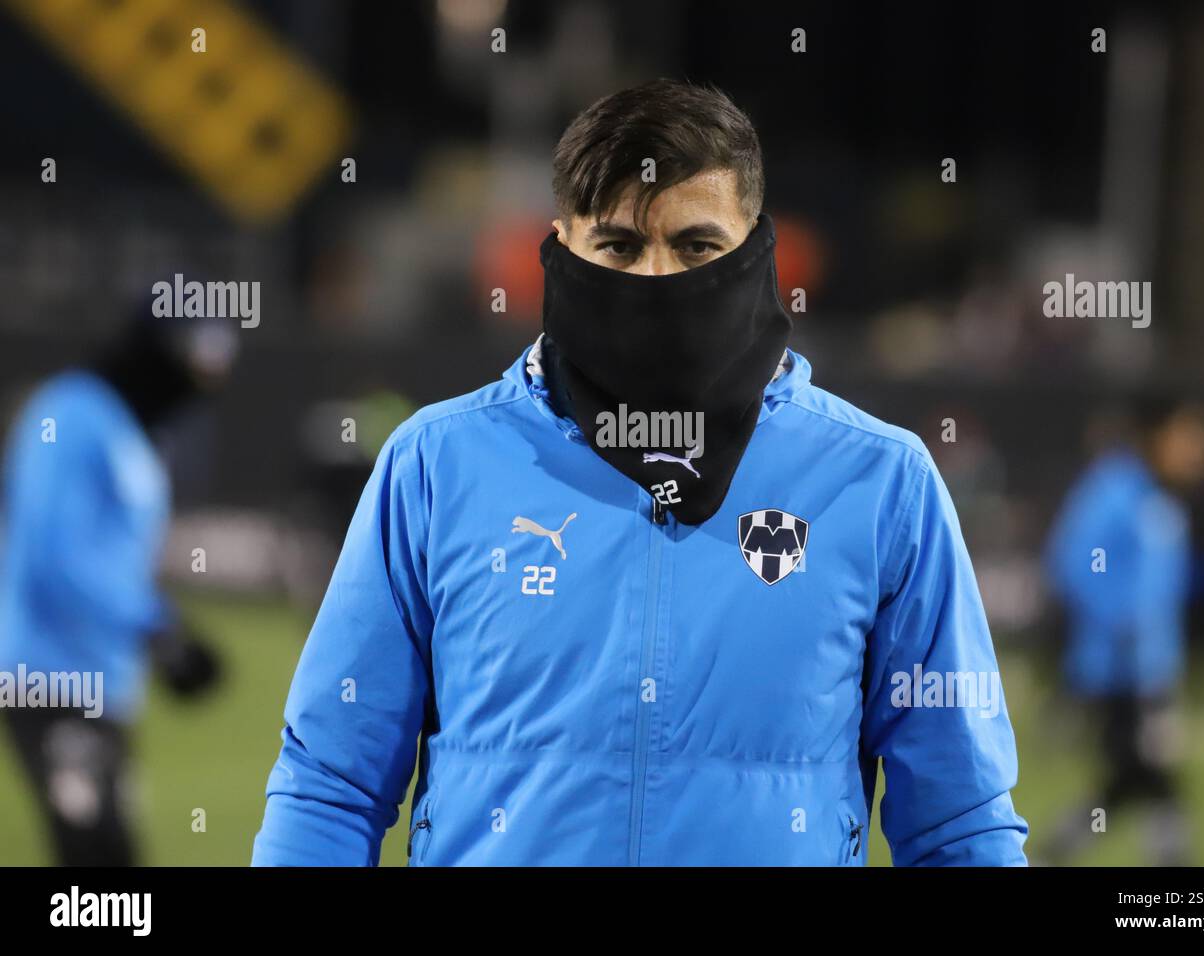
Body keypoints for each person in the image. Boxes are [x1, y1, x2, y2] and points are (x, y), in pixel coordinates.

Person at [253, 79, 1027, 866]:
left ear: (758, 244)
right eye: (619, 245)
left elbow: (960, 822)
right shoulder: (435, 465)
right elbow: (330, 784)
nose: (658, 281)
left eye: (696, 246)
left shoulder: (879, 483)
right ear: (559, 247)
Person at [0, 301, 235, 865]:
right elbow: (54, 549)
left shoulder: (132, 428)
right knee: (99, 870)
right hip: (48, 676)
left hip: (104, 683)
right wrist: (156, 625)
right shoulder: (71, 412)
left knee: (108, 868)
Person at [1042, 396, 1204, 865]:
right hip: (1117, 668)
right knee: (1147, 768)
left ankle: (1053, 851)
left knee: (1137, 772)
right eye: (1189, 436)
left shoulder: (1160, 498)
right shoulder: (1115, 489)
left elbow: (1161, 584)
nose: (1200, 450)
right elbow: (1070, 562)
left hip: (1152, 667)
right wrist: (1121, 622)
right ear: (1157, 435)